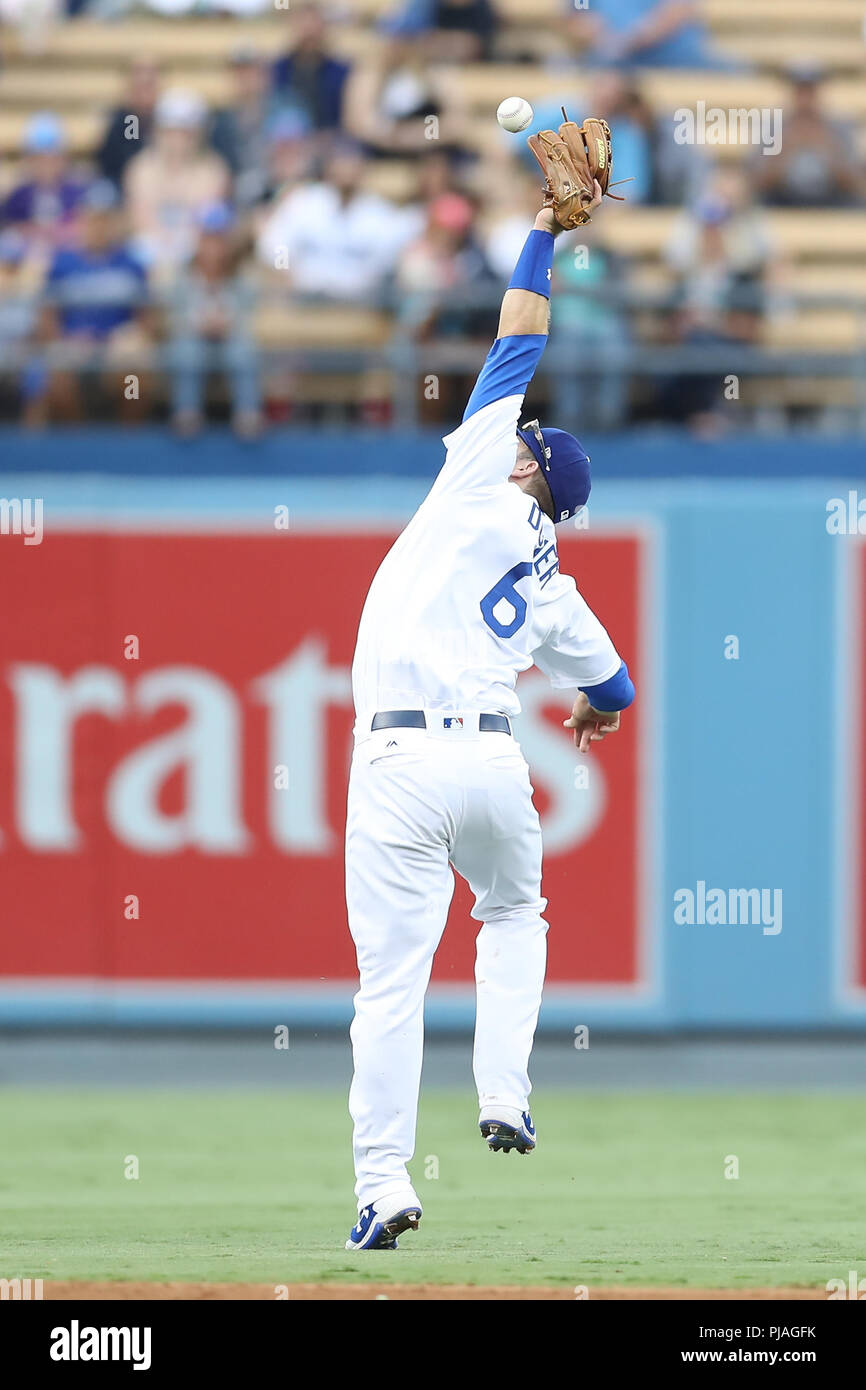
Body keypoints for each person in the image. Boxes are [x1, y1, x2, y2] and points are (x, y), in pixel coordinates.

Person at [344, 181, 635, 1251]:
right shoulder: (554, 575)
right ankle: (502, 1094)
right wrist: (598, 716)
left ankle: (383, 1186)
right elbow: (615, 688)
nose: (520, 433)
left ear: (523, 461)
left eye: (527, 435)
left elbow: (519, 327)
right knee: (514, 915)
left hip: (402, 759)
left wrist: (543, 233)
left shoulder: (476, 466)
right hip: (493, 768)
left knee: (392, 982)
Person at [39, 180, 150, 422]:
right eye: (93, 218)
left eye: (105, 219)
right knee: (57, 371)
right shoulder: (63, 263)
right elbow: (47, 313)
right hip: (74, 340)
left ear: (114, 222)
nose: (99, 226)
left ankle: (129, 436)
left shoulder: (131, 262)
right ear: (82, 220)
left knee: (135, 378)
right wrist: (64, 339)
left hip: (118, 341)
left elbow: (145, 314)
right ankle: (77, 436)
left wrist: (126, 337)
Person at [256, 140, 420, 301]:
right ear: (329, 168)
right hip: (306, 298)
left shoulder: (380, 214)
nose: (346, 171)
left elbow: (390, 259)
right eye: (341, 163)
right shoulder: (303, 203)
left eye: (352, 164)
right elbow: (275, 244)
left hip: (360, 302)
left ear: (362, 170)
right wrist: (286, 271)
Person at [168, 202, 262, 438]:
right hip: (192, 337)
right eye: (208, 240)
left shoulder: (243, 278)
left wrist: (229, 323)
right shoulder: (180, 277)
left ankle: (248, 415)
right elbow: (169, 317)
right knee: (187, 351)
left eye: (219, 240)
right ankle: (186, 414)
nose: (213, 248)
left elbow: (252, 316)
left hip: (231, 338)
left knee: (242, 351)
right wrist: (197, 324)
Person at [124, 88, 230, 278]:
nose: (178, 140)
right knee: (139, 253)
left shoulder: (214, 170)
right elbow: (140, 219)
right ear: (159, 131)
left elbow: (207, 221)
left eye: (185, 132)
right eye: (171, 131)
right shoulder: (140, 168)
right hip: (153, 245)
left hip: (193, 246)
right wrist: (165, 242)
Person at [754, 66, 863, 209]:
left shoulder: (840, 127)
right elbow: (755, 183)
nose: (805, 100)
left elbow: (857, 184)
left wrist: (828, 148)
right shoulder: (773, 127)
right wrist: (785, 150)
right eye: (800, 92)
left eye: (810, 92)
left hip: (831, 201)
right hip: (782, 200)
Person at [2, 113, 89, 256]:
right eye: (40, 159)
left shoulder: (77, 192)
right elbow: (10, 226)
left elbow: (82, 225)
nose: (46, 165)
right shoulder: (18, 195)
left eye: (52, 159)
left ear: (63, 159)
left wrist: (59, 233)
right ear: (30, 161)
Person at [272, 3, 351, 131]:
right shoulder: (276, 70)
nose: (309, 34)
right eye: (304, 29)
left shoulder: (341, 72)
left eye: (314, 29)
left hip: (332, 139)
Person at [96, 57, 161, 189]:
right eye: (140, 87)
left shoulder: (165, 118)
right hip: (124, 183)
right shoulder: (127, 119)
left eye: (148, 86)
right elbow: (112, 161)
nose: (144, 94)